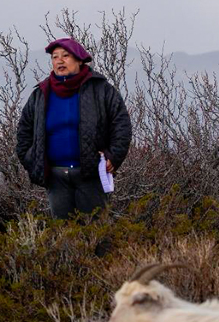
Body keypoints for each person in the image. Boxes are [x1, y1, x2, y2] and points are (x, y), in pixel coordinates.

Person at [16, 37, 132, 219]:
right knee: (63, 235)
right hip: (56, 177)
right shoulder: (41, 93)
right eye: (55, 57)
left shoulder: (101, 89)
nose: (59, 61)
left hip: (90, 174)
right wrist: (32, 160)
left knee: (95, 231)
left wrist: (113, 156)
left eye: (66, 56)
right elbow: (24, 131)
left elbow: (121, 124)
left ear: (79, 60)